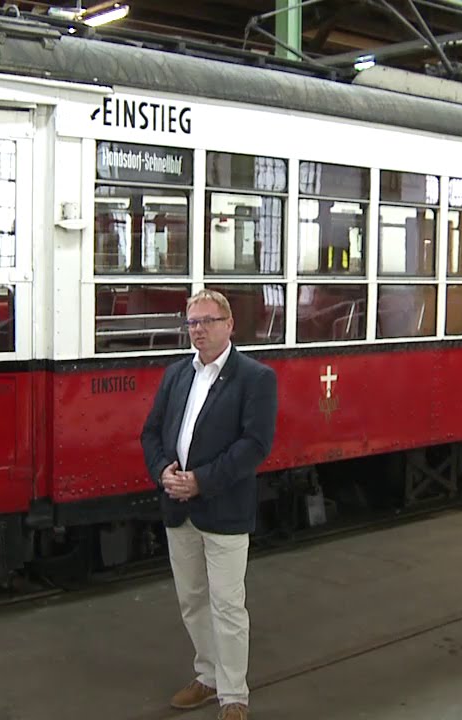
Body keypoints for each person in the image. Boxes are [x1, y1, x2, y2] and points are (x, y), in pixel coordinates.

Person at [139, 289, 278, 720]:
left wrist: (200, 481)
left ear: (229, 325)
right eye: (192, 323)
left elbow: (254, 446)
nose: (198, 330)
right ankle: (208, 675)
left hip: (223, 510)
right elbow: (152, 433)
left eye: (207, 321)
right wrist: (163, 470)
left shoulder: (256, 378)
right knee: (193, 600)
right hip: (178, 509)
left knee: (227, 605)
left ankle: (234, 695)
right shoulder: (177, 375)